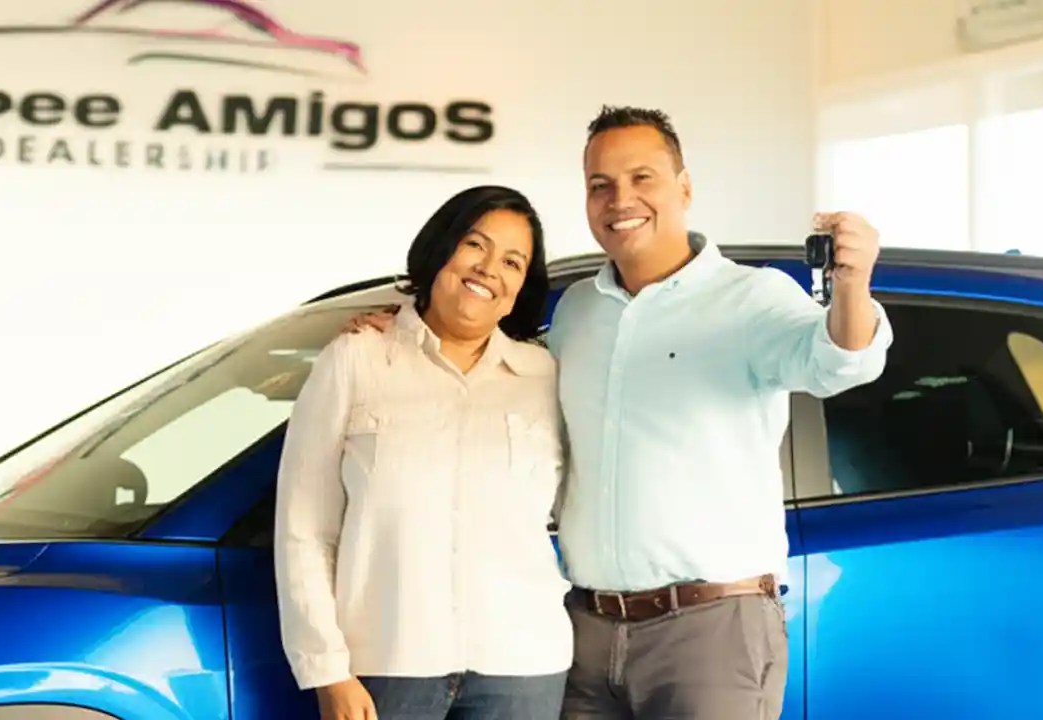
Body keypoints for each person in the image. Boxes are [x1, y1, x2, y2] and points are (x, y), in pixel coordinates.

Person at [345, 106, 892, 719]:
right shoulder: (577, 311)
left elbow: (841, 363)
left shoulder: (751, 298)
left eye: (642, 178)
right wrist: (409, 333)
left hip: (708, 631)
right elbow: (497, 380)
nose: (618, 199)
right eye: (599, 185)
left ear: (685, 187)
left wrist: (852, 284)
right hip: (586, 630)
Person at [273, 184, 573, 720]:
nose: (488, 269)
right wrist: (328, 671)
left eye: (512, 261)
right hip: (387, 667)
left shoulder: (545, 378)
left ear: (522, 286)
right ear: (441, 249)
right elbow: (305, 529)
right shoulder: (356, 360)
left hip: (522, 670)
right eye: (474, 245)